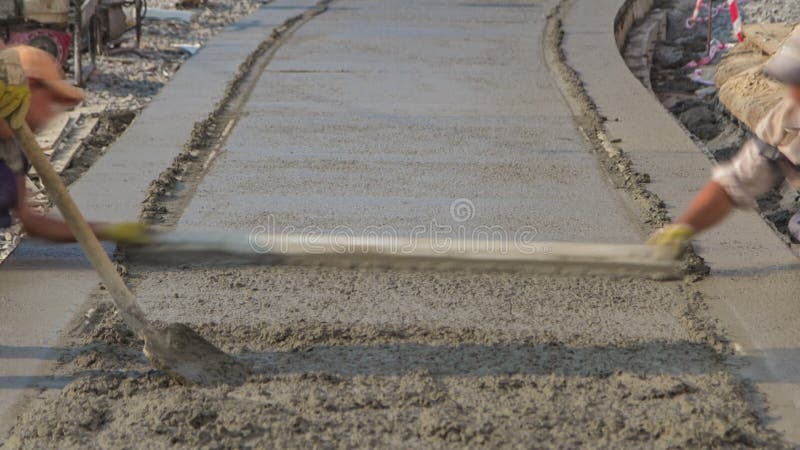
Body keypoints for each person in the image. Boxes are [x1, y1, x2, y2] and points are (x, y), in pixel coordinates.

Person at [649, 28, 800, 250]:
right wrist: (682, 229)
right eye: (793, 84)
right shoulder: (787, 120)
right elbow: (736, 182)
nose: (793, 95)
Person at [0, 45, 148, 243]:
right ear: (27, 87)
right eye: (51, 101)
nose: (50, 115)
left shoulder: (13, 153)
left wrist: (109, 231)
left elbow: (33, 223)